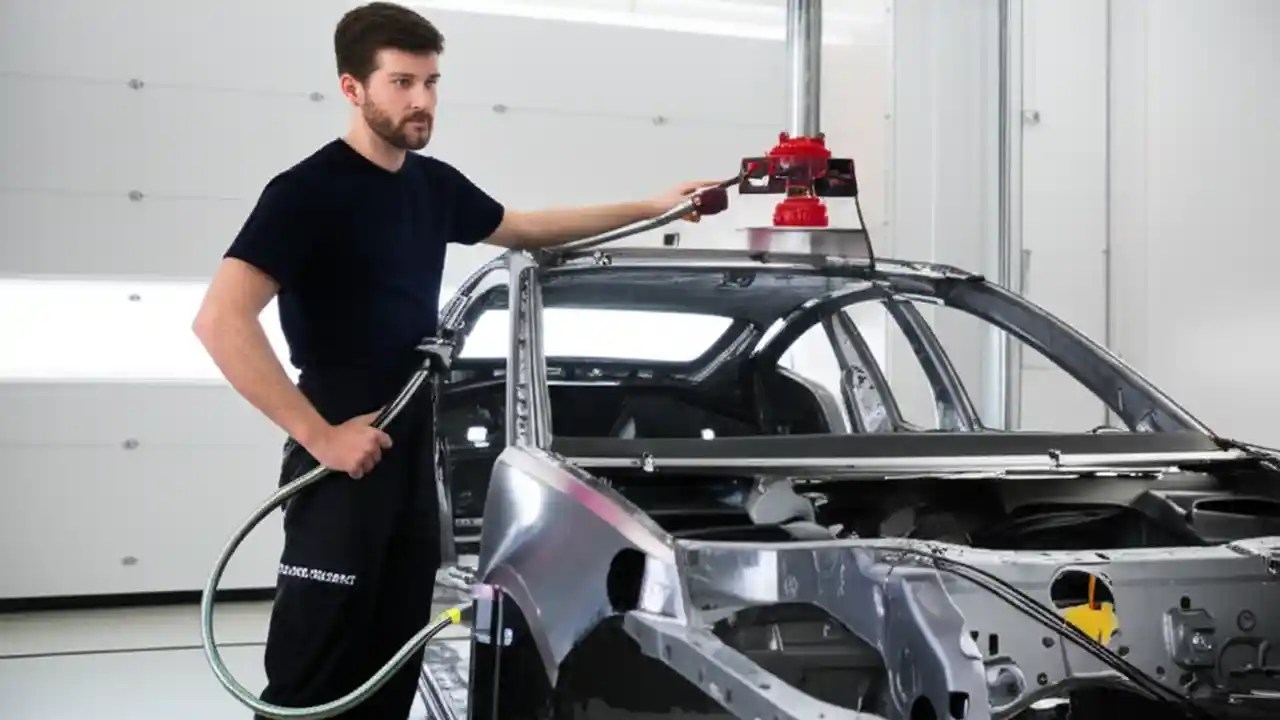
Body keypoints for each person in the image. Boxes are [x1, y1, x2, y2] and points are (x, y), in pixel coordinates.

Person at [192, 2, 715, 718]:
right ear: (353, 88)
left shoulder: (431, 186)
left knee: (392, 657)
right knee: (315, 668)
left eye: (432, 82)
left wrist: (655, 207)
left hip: (410, 455)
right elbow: (220, 321)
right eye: (402, 82)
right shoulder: (306, 192)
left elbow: (526, 228)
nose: (422, 101)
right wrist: (323, 436)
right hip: (341, 462)